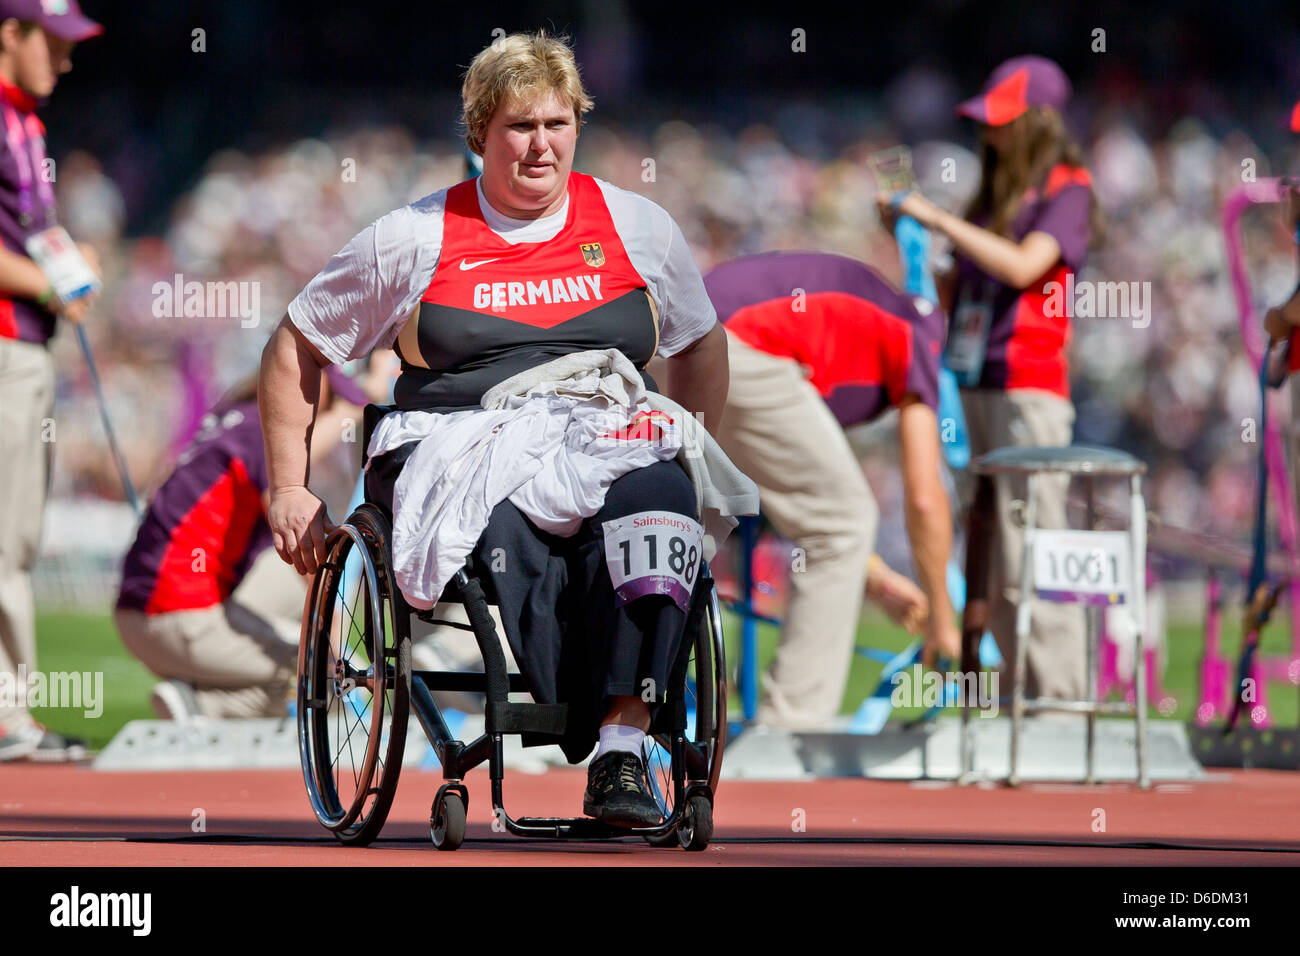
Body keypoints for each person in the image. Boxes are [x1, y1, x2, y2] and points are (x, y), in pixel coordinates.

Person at [258, 32, 732, 828]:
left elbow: (699, 340)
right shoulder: (414, 236)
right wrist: (290, 488)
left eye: (557, 123)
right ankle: (575, 696)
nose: (540, 145)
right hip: (463, 441)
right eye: (520, 126)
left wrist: (693, 438)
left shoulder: (636, 225)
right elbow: (296, 344)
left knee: (662, 498)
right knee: (503, 525)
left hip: (605, 430)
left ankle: (621, 746)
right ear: (480, 133)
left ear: (578, 125)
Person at [879, 55, 1098, 701]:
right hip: (975, 381)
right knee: (991, 555)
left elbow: (1026, 267)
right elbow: (961, 287)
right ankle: (1015, 699)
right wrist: (912, 234)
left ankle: (1059, 700)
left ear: (1040, 122)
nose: (992, 134)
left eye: (1005, 123)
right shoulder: (995, 196)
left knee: (1036, 547)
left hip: (1028, 387)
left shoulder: (1069, 188)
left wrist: (941, 219)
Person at [702, 251, 960, 729]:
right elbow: (924, 496)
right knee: (845, 517)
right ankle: (792, 726)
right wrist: (944, 617)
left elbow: (793, 494)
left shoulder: (865, 322)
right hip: (730, 343)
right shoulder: (921, 332)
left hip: (685, 341)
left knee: (685, 517)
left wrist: (877, 579)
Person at [113, 368, 374, 721]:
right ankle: (203, 704)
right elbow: (300, 537)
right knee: (337, 671)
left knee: (305, 645)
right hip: (179, 617)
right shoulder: (263, 432)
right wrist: (332, 629)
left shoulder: (231, 419)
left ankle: (197, 694)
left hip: (144, 611)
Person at [0, 1, 102, 763]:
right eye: (55, 44)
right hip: (7, 343)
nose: (65, 62)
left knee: (20, 533)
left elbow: (34, 233)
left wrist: (69, 269)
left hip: (30, 346)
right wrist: (47, 282)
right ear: (11, 32)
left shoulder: (26, 122)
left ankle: (12, 712)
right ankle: (8, 714)